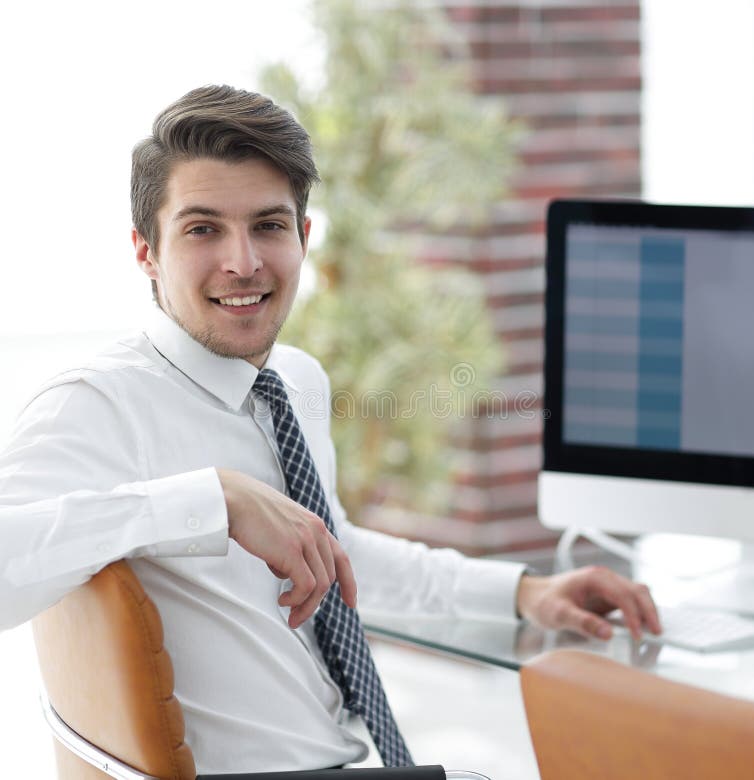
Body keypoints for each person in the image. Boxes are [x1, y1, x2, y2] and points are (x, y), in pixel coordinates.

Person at [0, 85, 660, 774]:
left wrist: (524, 592)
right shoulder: (99, 402)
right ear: (145, 252)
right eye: (202, 229)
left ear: (304, 237)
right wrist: (210, 502)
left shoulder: (295, 381)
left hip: (346, 761)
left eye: (268, 225)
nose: (244, 262)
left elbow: (332, 557)